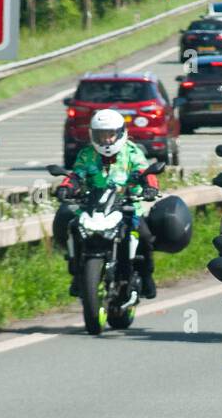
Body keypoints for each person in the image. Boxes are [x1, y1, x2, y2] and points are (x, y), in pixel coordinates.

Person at [53, 109, 160, 299]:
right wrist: (66, 188)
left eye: (110, 134)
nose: (107, 140)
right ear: (93, 135)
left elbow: (146, 172)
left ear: (120, 133)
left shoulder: (132, 152)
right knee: (73, 228)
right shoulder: (86, 154)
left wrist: (150, 188)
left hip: (126, 204)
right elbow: (76, 175)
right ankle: (78, 275)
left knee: (144, 235)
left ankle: (147, 276)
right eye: (102, 135)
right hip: (92, 206)